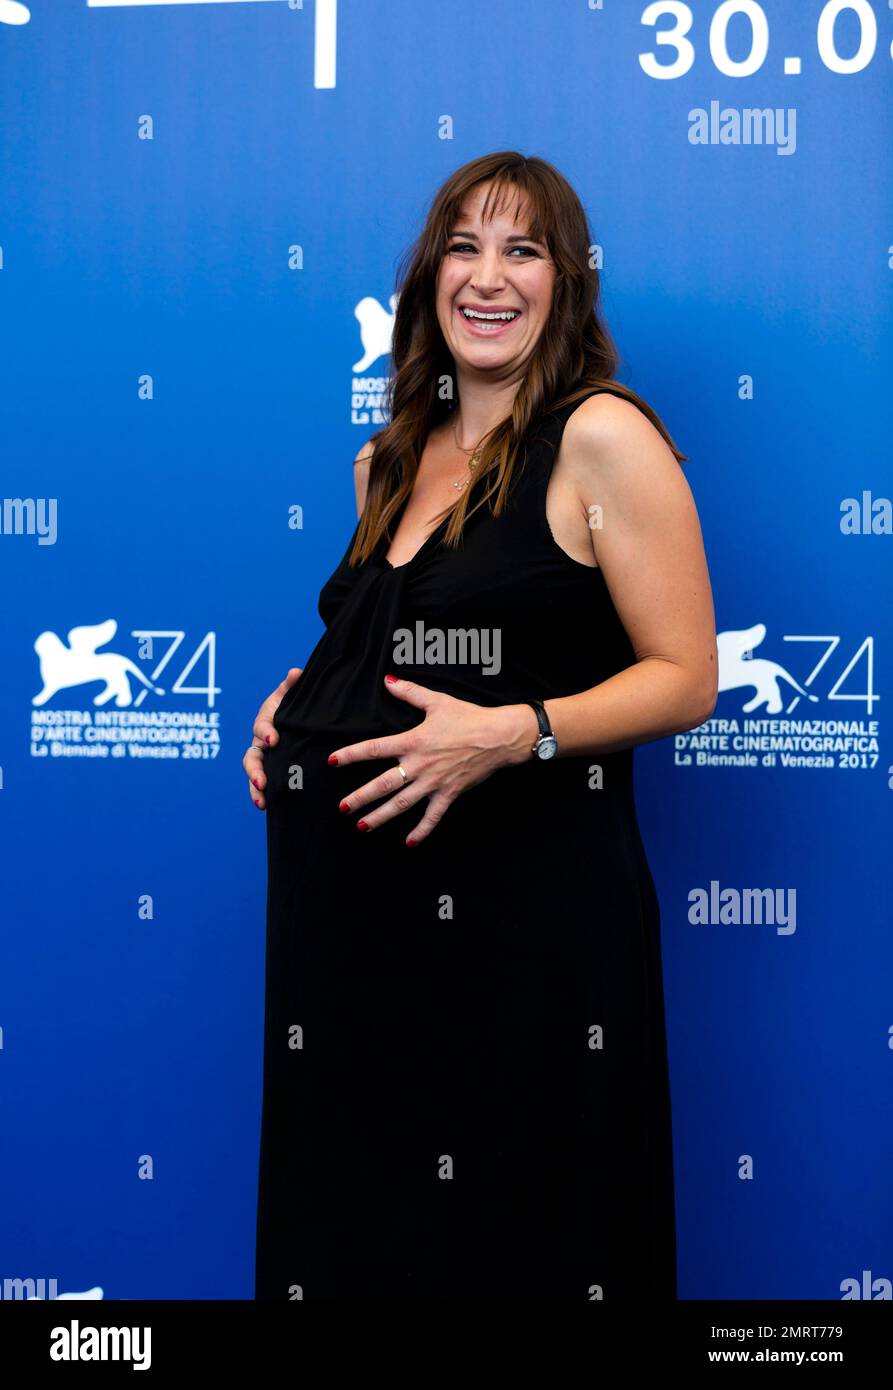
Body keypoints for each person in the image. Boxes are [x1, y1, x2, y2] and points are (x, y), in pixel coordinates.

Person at [248, 151, 717, 1299]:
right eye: (462, 246)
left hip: (527, 955)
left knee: (520, 1248)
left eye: (523, 249)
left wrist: (515, 733)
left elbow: (685, 675)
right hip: (356, 967)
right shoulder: (387, 459)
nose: (487, 276)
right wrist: (298, 701)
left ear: (565, 284)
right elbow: (401, 639)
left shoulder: (599, 437)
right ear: (427, 279)